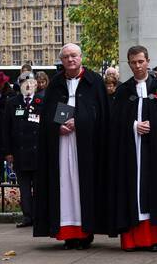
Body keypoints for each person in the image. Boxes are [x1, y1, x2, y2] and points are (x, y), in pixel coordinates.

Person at [35, 44, 106, 248]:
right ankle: (68, 232)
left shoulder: (94, 82)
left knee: (83, 186)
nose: (70, 60)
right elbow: (49, 114)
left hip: (86, 147)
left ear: (81, 57)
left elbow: (101, 114)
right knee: (65, 185)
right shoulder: (57, 84)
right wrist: (57, 126)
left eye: (74, 55)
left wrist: (80, 123)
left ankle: (85, 232)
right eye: (66, 57)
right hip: (63, 145)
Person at [108, 45, 157, 252]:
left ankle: (155, 238)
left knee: (156, 190)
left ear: (148, 61)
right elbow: (115, 122)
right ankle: (132, 239)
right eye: (133, 62)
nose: (137, 66)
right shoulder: (123, 91)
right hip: (131, 152)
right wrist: (133, 125)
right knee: (133, 191)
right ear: (128, 64)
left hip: (156, 151)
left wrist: (154, 125)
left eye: (141, 61)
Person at [3, 70, 43, 228]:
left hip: (38, 152)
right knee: (24, 188)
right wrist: (8, 152)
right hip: (20, 152)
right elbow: (6, 129)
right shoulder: (12, 102)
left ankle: (40, 216)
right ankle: (27, 216)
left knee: (39, 188)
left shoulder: (43, 101)